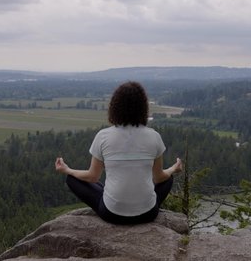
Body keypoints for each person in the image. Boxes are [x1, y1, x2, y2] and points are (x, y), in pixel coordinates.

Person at [55, 81, 183, 225]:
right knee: (168, 178)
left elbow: (92, 177)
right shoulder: (154, 136)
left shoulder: (103, 136)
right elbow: (159, 178)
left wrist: (67, 169)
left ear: (115, 107)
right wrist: (174, 169)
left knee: (71, 179)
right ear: (143, 108)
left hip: (112, 214)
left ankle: (114, 197)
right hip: (148, 214)